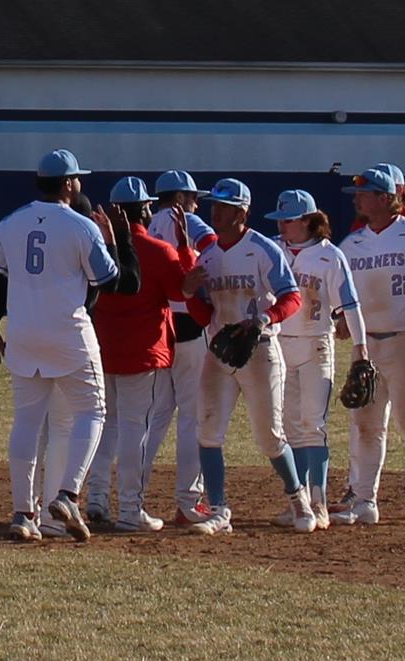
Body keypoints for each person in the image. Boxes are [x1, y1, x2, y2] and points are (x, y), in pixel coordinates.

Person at [0, 150, 123, 543]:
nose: (80, 184)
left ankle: (23, 513)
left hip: (24, 333)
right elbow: (108, 281)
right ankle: (67, 494)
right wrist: (110, 242)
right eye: (77, 179)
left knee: (27, 421)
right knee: (93, 411)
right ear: (67, 184)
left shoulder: (11, 222)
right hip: (68, 332)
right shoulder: (82, 226)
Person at [180, 179, 311, 533]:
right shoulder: (206, 256)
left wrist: (265, 318)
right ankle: (219, 510)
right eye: (214, 204)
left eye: (223, 206)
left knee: (269, 436)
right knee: (207, 430)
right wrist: (190, 292)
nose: (215, 211)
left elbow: (291, 297)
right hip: (220, 352)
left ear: (241, 212)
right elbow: (205, 316)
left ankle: (299, 499)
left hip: (259, 350)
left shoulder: (263, 249)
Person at [332, 165, 405, 525]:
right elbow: (342, 290)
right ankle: (365, 500)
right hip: (369, 344)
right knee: (367, 423)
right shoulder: (352, 243)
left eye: (365, 194)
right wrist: (341, 320)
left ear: (386, 198)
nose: (358, 199)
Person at [82, 177, 199, 532]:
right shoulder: (157, 250)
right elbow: (185, 290)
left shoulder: (97, 245)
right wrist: (184, 246)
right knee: (136, 430)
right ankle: (131, 509)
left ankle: (97, 498)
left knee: (106, 426)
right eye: (148, 206)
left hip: (104, 348)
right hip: (143, 353)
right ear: (144, 210)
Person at [267, 189, 366, 528]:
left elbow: (350, 305)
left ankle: (319, 502)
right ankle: (299, 504)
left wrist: (360, 350)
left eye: (288, 219)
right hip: (280, 346)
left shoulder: (329, 256)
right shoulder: (273, 249)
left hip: (315, 346)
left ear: (308, 221)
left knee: (312, 424)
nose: (282, 226)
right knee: (290, 428)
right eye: (279, 220)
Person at [149, 171, 221, 529]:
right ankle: (188, 502)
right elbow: (215, 249)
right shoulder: (187, 219)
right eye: (193, 197)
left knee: (155, 415)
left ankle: (133, 495)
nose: (196, 203)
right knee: (192, 416)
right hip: (190, 323)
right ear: (180, 197)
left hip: (159, 328)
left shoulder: (147, 224)